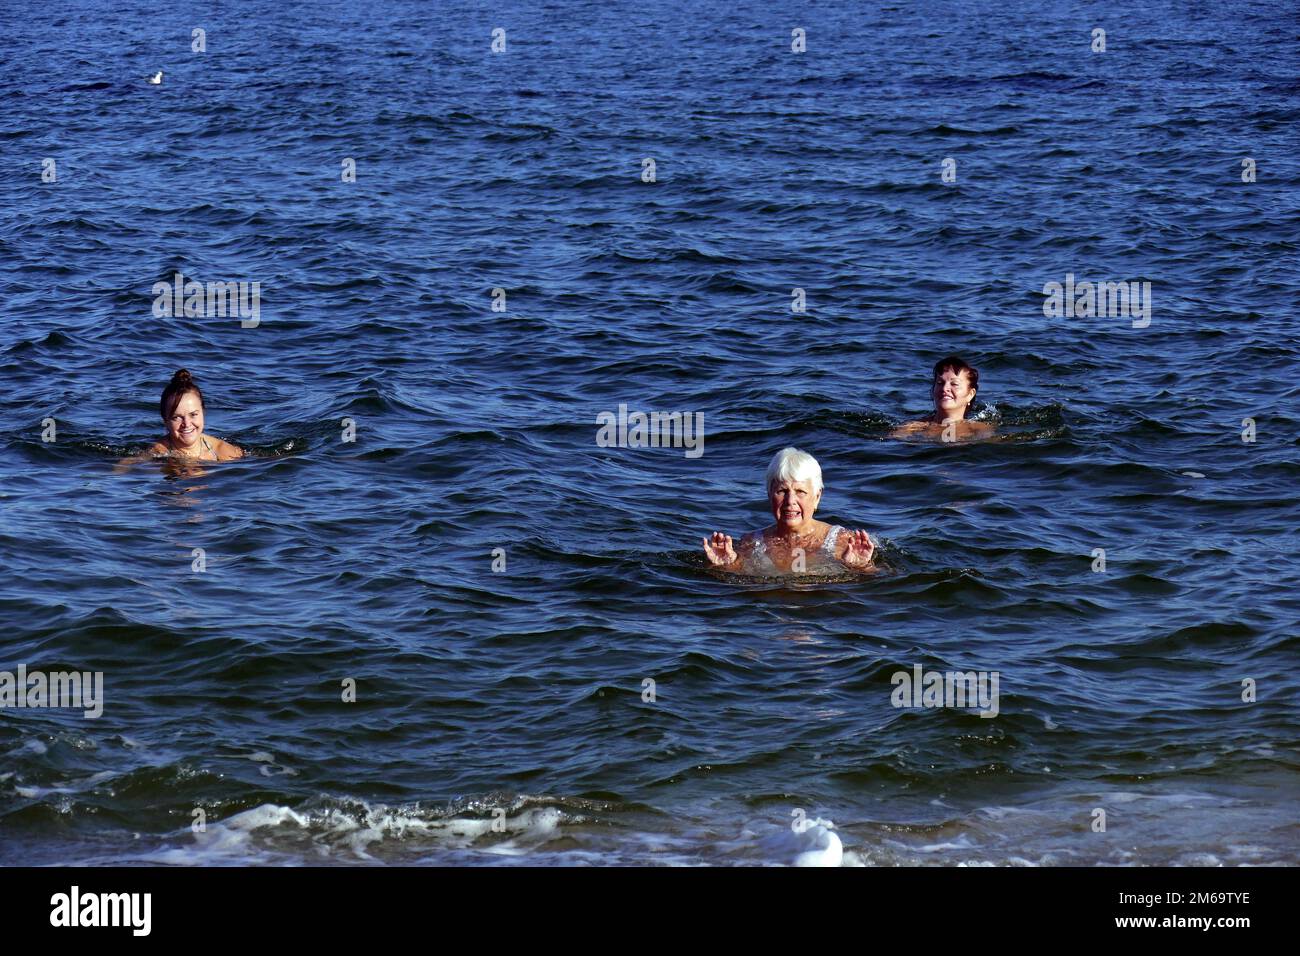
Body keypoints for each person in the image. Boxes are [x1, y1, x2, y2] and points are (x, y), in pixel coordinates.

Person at [702, 447, 876, 575]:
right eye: (782, 491)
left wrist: (860, 568)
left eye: (800, 492)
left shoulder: (845, 541)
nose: (790, 501)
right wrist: (724, 566)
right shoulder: (750, 543)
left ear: (817, 497)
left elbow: (876, 584)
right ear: (769, 494)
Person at [135, 369, 244, 462]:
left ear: (203, 412)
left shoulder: (225, 451)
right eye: (176, 417)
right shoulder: (157, 454)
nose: (186, 424)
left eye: (193, 415)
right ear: (165, 420)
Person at [890, 355, 993, 441]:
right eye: (940, 383)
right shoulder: (911, 428)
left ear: (970, 394)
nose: (945, 388)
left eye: (954, 384)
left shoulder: (978, 429)